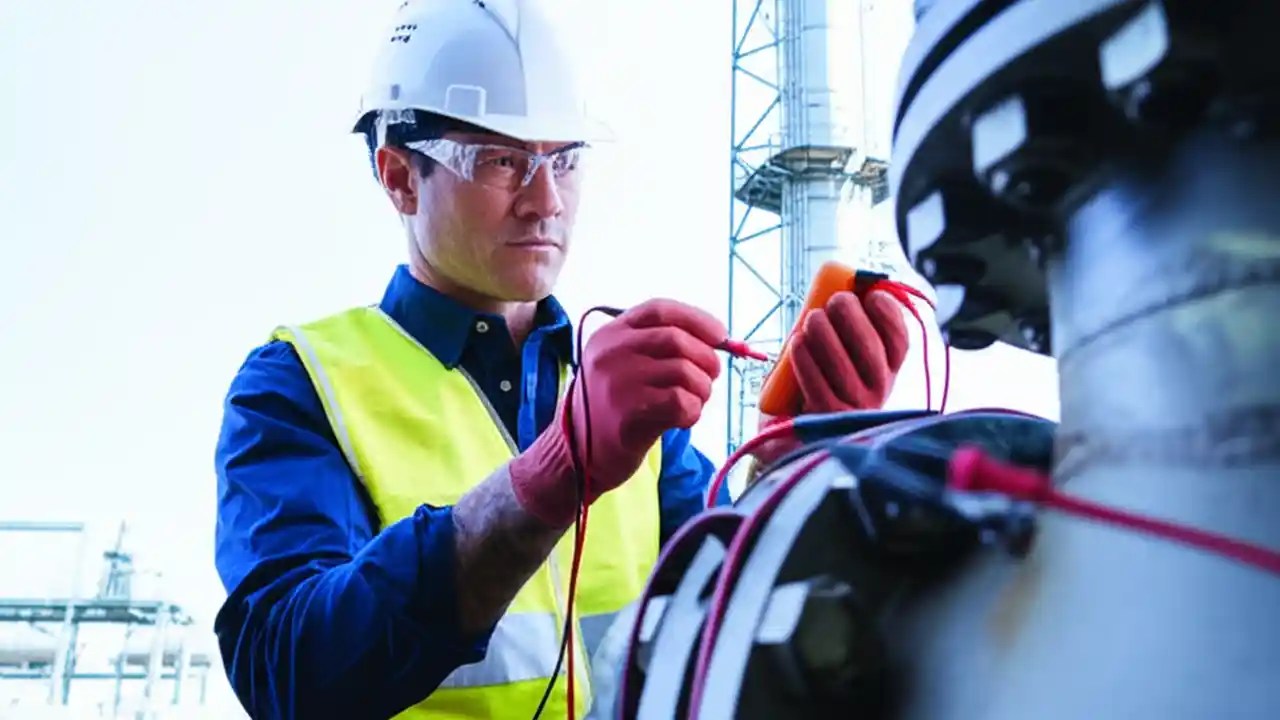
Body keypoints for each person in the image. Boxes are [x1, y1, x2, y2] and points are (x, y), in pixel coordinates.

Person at [211, 1, 911, 718]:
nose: (545, 201)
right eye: (501, 160)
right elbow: (287, 671)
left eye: (565, 159)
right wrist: (546, 479)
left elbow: (734, 622)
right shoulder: (303, 383)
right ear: (398, 176)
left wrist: (797, 458)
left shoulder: (627, 407)